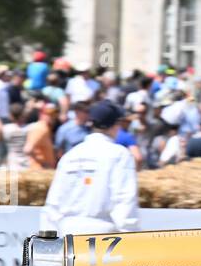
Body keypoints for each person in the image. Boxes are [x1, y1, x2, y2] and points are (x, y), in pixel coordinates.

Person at [39, 101, 139, 236]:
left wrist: (48, 237)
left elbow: (54, 202)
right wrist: (129, 234)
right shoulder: (120, 154)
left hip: (67, 233)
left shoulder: (71, 155)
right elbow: (125, 199)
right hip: (103, 236)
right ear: (115, 126)